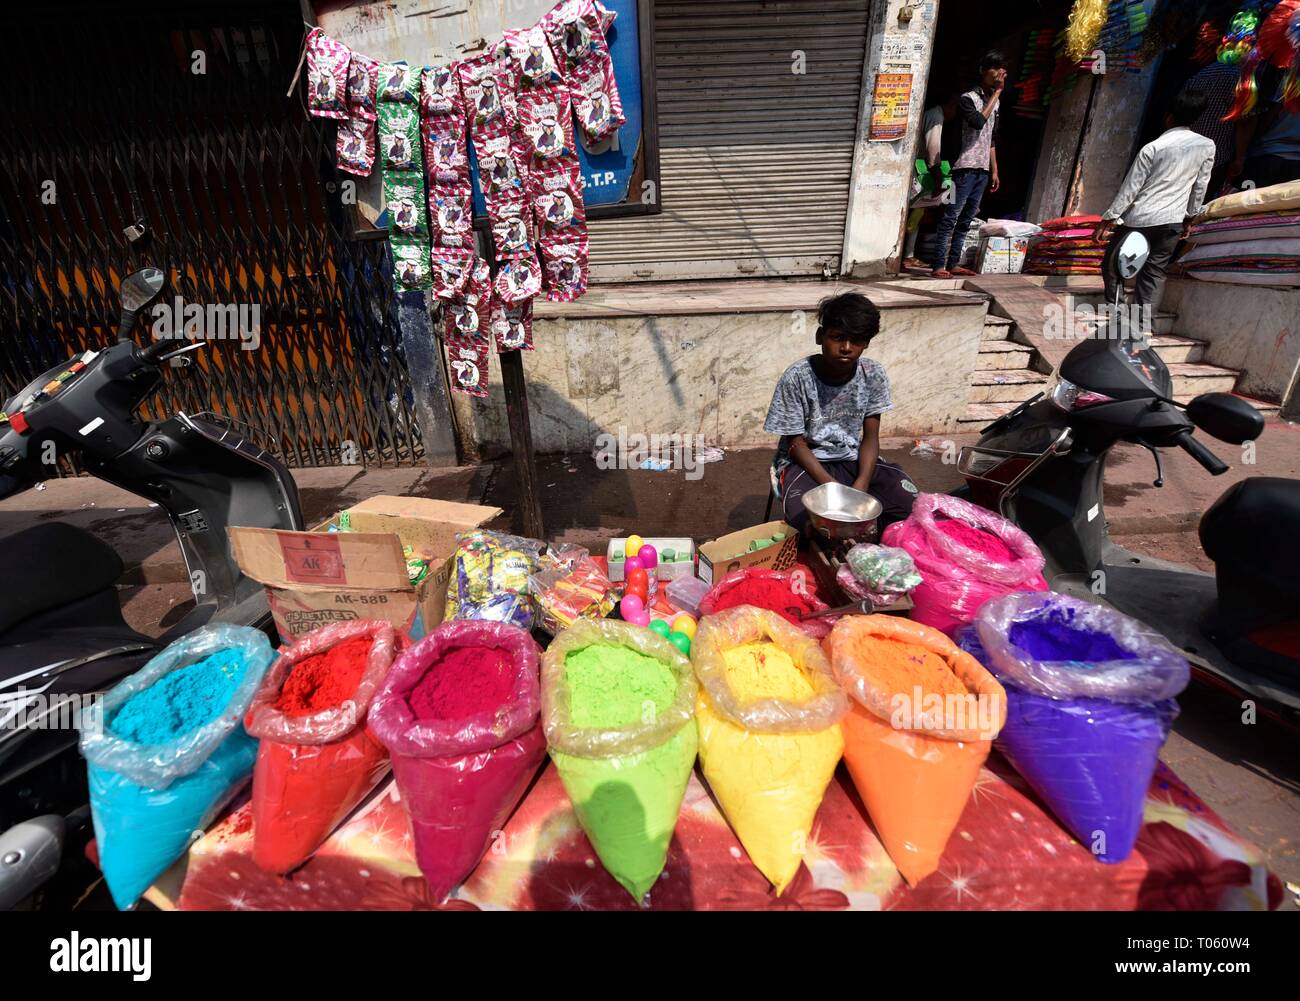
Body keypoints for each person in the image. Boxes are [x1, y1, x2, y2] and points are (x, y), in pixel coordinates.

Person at [763, 292, 919, 539]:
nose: (846, 347)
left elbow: (870, 438)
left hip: (853, 457)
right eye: (837, 338)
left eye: (856, 341)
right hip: (807, 463)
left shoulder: (873, 374)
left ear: (866, 343)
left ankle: (881, 556)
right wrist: (832, 488)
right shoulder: (796, 377)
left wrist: (861, 484)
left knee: (912, 506)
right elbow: (795, 444)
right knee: (805, 523)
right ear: (820, 336)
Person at [1095, 88, 1215, 314]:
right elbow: (1201, 186)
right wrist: (1191, 216)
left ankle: (1118, 315)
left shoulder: (1153, 147)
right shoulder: (1207, 146)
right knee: (1154, 271)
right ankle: (1142, 325)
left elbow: (1131, 187)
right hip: (1172, 222)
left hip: (1140, 218)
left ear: (1168, 116)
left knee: (1113, 267)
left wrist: (1109, 219)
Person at [930, 51, 1007, 278]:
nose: (999, 73)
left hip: (981, 171)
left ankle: (953, 263)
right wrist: (998, 93)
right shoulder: (967, 99)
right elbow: (977, 122)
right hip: (962, 169)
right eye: (995, 68)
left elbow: (992, 137)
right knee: (951, 216)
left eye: (1001, 68)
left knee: (967, 218)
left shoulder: (996, 102)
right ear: (984, 71)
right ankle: (938, 266)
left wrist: (994, 170)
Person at [903, 95, 958, 268]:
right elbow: (933, 149)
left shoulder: (932, 114)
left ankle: (908, 254)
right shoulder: (936, 116)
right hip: (919, 170)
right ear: (951, 105)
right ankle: (907, 255)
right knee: (915, 212)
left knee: (916, 213)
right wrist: (938, 177)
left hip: (918, 168)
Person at [1228, 73, 1300, 190]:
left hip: (1267, 155)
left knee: (1250, 205)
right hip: (1293, 161)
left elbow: (1267, 119)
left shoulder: (1289, 80)